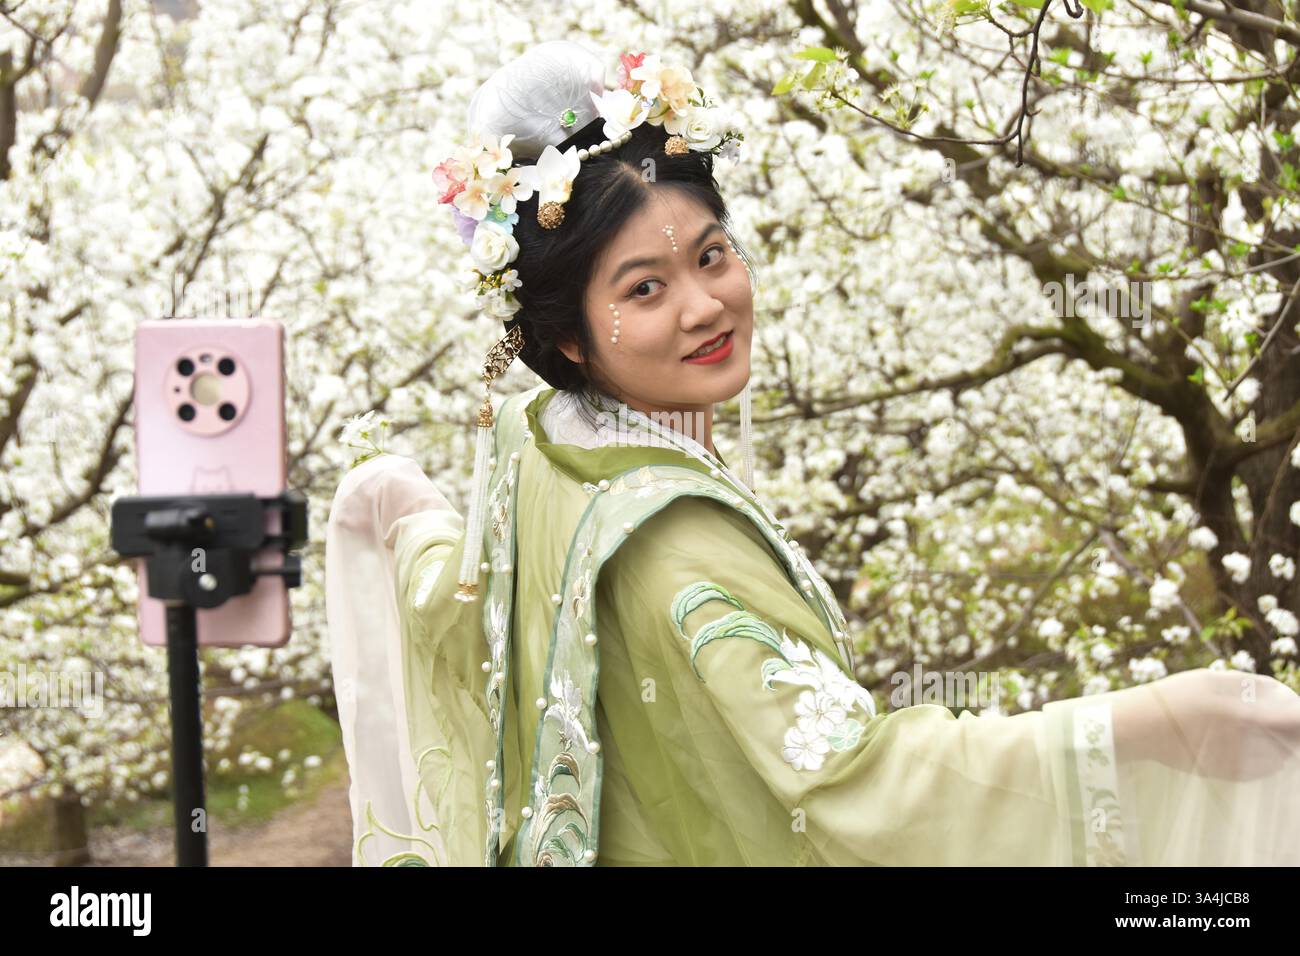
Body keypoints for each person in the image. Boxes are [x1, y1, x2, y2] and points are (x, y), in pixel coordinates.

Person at [325, 41, 1300, 866]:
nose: (705, 305)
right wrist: (1156, 722)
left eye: (710, 255)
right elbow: (858, 784)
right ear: (568, 337)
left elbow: (459, 598)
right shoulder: (675, 542)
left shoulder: (535, 445)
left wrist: (397, 505)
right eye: (644, 289)